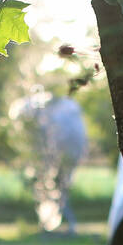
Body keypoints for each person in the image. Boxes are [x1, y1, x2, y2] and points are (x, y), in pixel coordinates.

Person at [10, 90, 88, 234]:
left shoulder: (63, 114)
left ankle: (63, 225)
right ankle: (53, 225)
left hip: (60, 165)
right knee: (55, 195)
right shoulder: (45, 113)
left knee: (60, 196)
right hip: (56, 167)